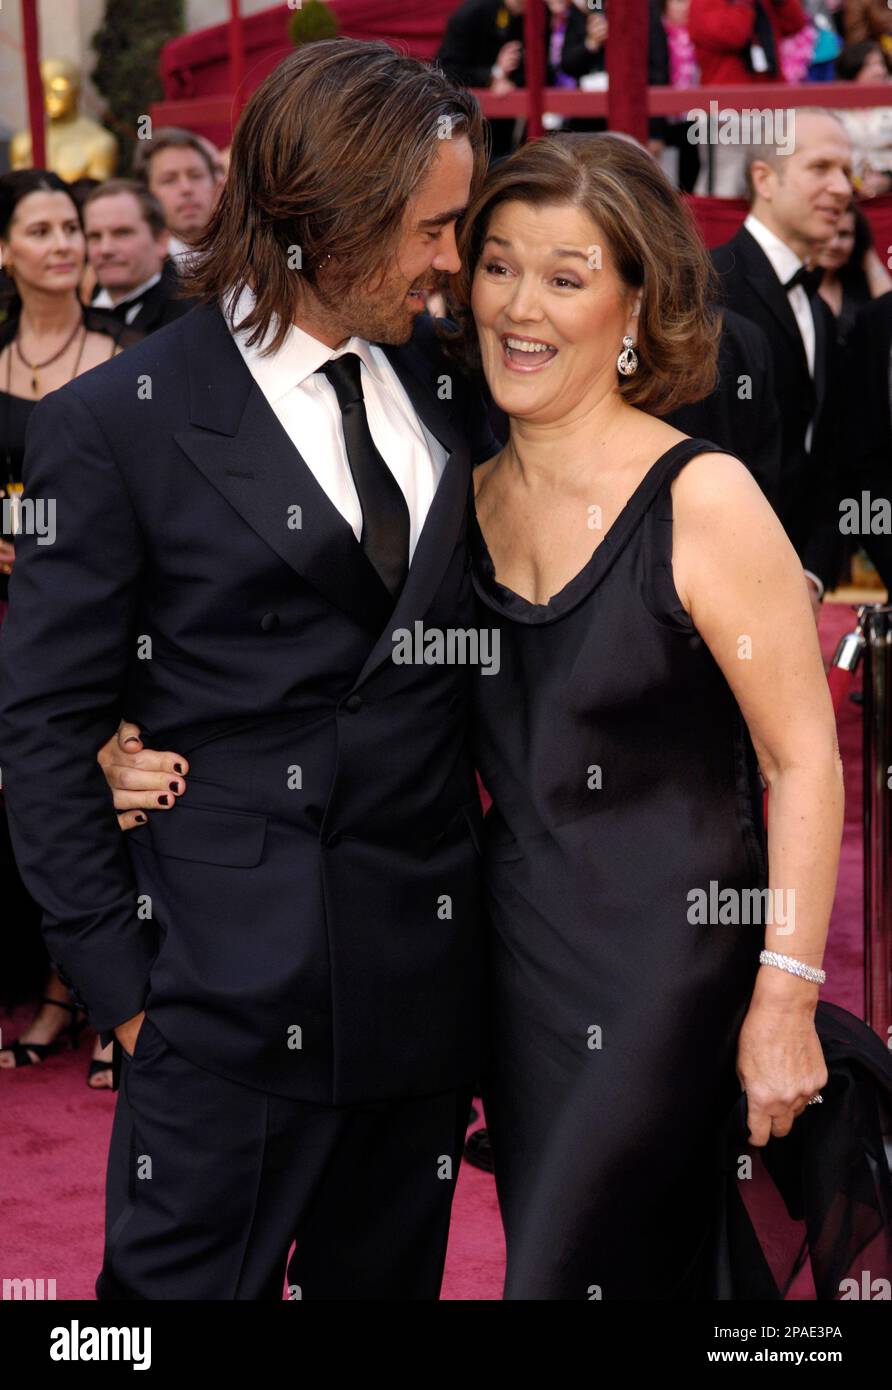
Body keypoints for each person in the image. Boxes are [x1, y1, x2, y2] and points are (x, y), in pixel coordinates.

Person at [102, 134, 892, 1300]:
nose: (521, 306)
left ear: (633, 306)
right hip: (506, 973)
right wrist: (130, 743)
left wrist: (784, 996)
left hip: (672, 975)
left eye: (567, 277)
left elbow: (802, 761)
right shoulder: (450, 487)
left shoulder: (704, 495)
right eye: (497, 265)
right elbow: (337, 678)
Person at [0, 41, 498, 1299]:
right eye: (432, 229)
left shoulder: (453, 388)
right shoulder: (122, 423)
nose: (453, 263)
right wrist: (124, 994)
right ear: (328, 215)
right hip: (217, 1006)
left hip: (416, 999)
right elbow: (45, 726)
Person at [0, 169, 136, 1088]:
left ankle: (107, 995)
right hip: (8, 613)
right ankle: (52, 990)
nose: (63, 243)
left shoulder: (130, 358)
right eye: (41, 228)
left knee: (97, 789)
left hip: (107, 620)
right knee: (27, 794)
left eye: (72, 228)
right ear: (5, 252)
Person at [711, 110, 853, 616]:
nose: (842, 188)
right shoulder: (709, 285)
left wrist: (811, 576)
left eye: (846, 172)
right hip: (716, 599)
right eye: (821, 168)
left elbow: (825, 457)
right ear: (764, 179)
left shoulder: (818, 308)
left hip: (791, 596)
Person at [83, 179, 196, 334]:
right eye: (95, 236)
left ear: (161, 241)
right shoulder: (75, 312)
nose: (105, 249)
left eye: (122, 233)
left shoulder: (191, 319)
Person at [131, 127, 221, 265]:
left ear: (215, 185)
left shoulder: (250, 260)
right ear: (146, 194)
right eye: (169, 180)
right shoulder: (139, 269)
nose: (186, 189)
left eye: (195, 176)